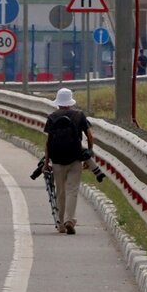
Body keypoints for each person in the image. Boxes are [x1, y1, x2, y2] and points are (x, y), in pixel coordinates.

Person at [43, 87, 94, 235]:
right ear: (70, 102)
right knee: (72, 190)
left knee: (61, 191)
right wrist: (89, 152)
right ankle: (70, 220)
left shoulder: (52, 117)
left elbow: (48, 142)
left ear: (58, 102)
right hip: (75, 158)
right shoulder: (79, 115)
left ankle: (61, 224)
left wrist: (46, 163)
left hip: (57, 161)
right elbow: (90, 136)